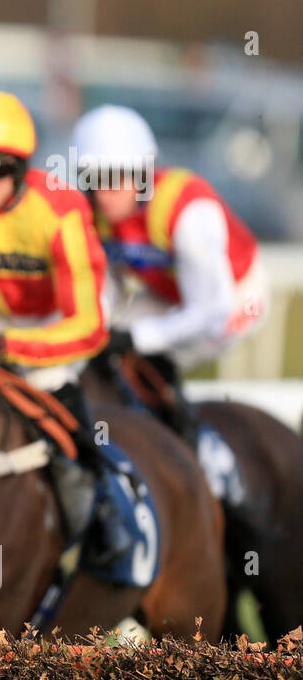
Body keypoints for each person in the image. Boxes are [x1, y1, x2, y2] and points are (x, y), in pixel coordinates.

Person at [0, 89, 130, 563]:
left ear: (19, 169)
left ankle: (108, 507)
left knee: (52, 383)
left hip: (56, 320)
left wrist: (7, 344)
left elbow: (89, 326)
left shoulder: (59, 209)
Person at [71, 104, 267, 443]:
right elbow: (110, 287)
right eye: (93, 180)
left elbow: (210, 312)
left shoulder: (189, 214)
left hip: (235, 297)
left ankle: (193, 442)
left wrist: (137, 340)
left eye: (115, 179)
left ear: (142, 173)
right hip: (171, 292)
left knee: (157, 356)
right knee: (103, 345)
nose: (103, 194)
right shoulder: (99, 212)